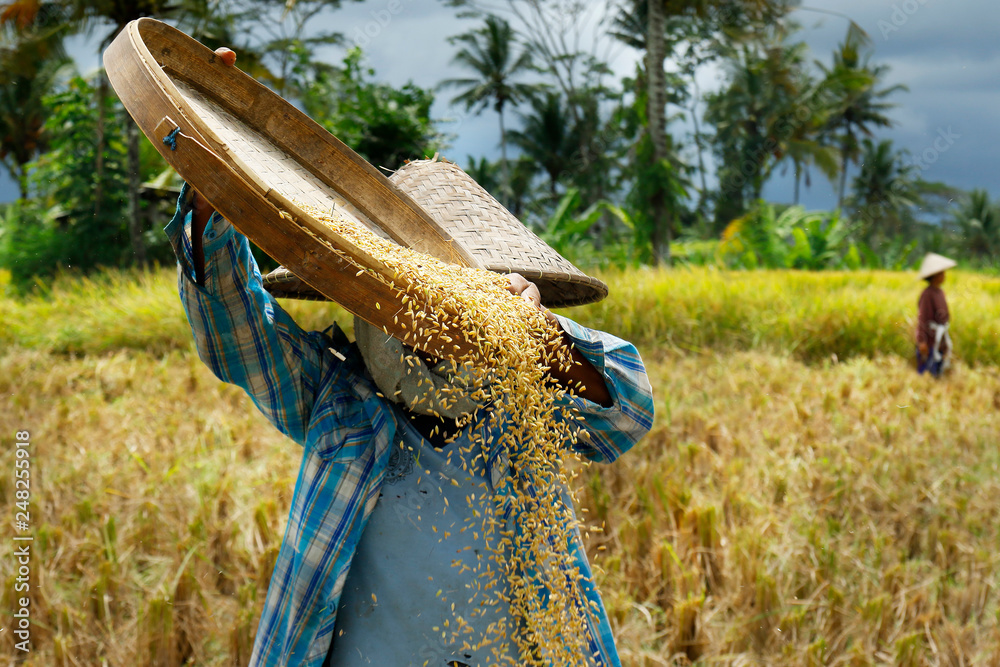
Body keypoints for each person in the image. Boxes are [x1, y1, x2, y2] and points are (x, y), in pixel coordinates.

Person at [167, 48, 653, 667]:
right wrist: (216, 191)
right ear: (359, 308)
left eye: (459, 306)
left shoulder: (523, 412)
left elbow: (629, 412)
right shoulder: (336, 405)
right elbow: (235, 332)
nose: (429, 334)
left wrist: (536, 339)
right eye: (401, 305)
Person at [915, 252, 956, 377]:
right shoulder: (927, 294)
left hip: (938, 340)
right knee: (927, 374)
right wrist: (921, 341)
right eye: (941, 273)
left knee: (938, 372)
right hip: (929, 341)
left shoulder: (939, 292)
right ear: (934, 276)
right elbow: (923, 318)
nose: (944, 276)